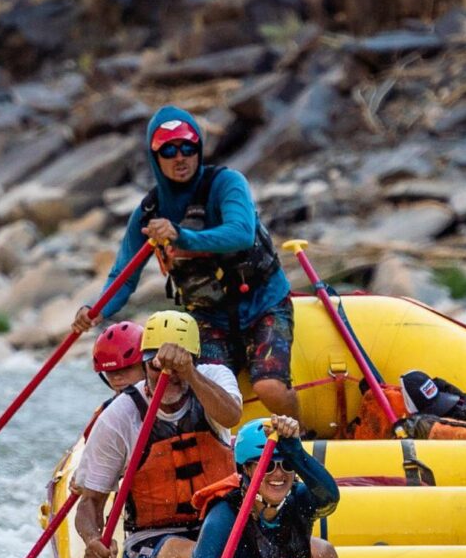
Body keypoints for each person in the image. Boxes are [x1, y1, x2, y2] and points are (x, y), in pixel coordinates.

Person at [71, 106, 299, 419]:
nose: (180, 157)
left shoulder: (227, 183)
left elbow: (242, 233)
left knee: (268, 387)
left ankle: (299, 435)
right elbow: (124, 275)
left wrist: (181, 237)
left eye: (188, 148)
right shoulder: (150, 212)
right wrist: (97, 310)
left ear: (199, 149)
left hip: (264, 304)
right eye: (168, 150)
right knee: (195, 392)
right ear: (155, 157)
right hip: (208, 318)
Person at [73, 310, 242, 558]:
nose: (168, 376)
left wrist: (190, 374)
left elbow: (231, 416)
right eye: (157, 366)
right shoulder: (118, 416)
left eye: (179, 369)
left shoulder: (212, 378)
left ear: (194, 361)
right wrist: (92, 539)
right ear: (143, 364)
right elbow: (90, 502)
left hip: (219, 525)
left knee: (316, 554)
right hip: (154, 538)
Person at [171, 416, 340, 558]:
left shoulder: (300, 500)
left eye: (287, 464)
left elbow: (330, 498)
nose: (279, 474)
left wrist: (296, 452)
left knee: (326, 554)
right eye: (267, 465)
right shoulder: (225, 516)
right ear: (247, 470)